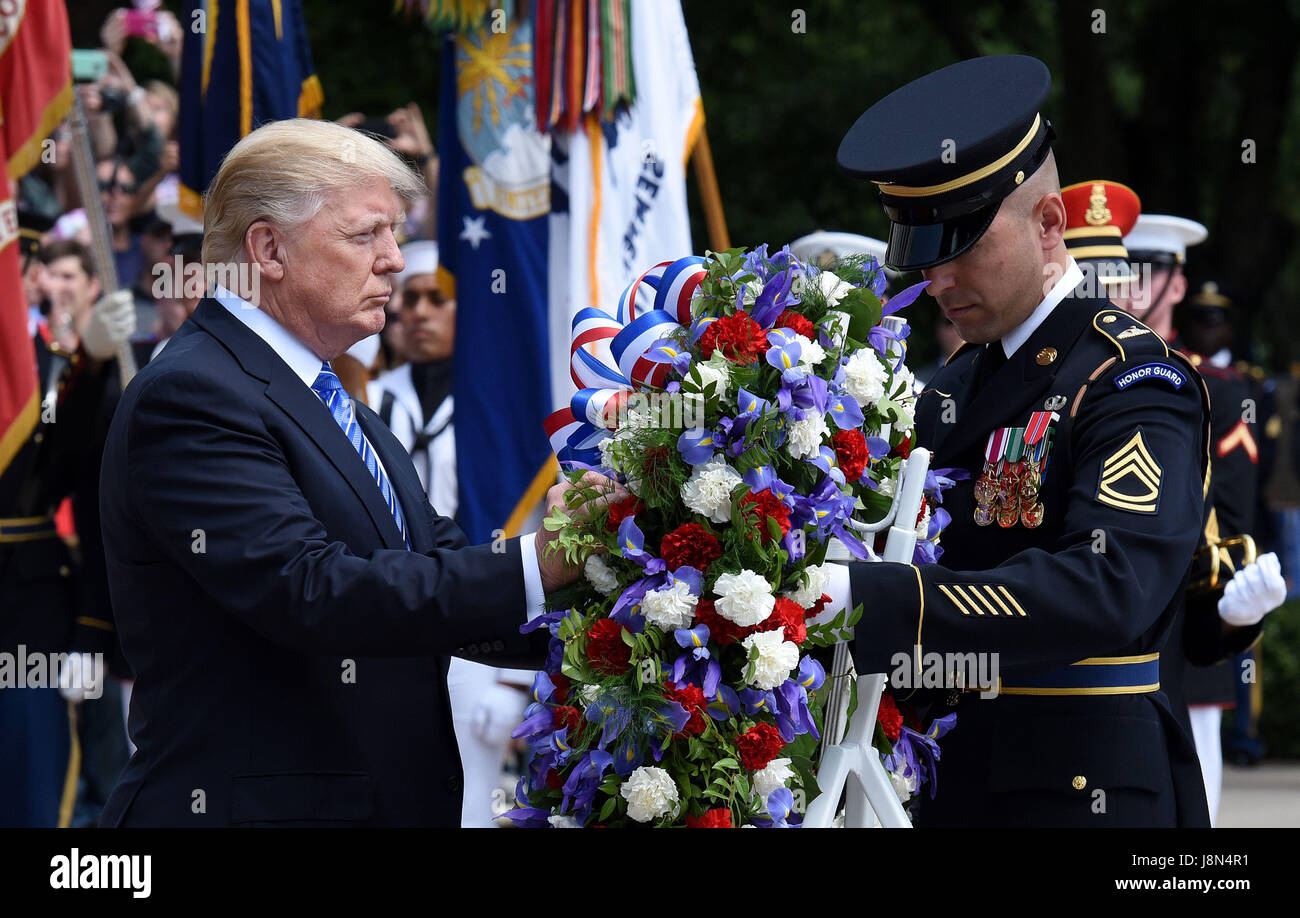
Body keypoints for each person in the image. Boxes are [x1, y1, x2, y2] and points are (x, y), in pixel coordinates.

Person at [97, 119, 610, 827]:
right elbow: (309, 590)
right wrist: (534, 564)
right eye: (366, 234)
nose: (395, 260)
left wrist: (627, 596)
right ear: (268, 248)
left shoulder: (332, 399)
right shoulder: (192, 394)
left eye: (395, 233)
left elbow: (435, 567)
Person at [834, 54, 1213, 827]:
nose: (936, 280)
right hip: (947, 782)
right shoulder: (945, 391)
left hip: (1079, 790)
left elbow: (1107, 586)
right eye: (923, 252)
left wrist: (876, 602)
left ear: (1048, 225)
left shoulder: (1132, 382)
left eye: (963, 246)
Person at [367, 239, 533, 827]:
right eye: (407, 298)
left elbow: (530, 525)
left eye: (437, 298)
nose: (418, 311)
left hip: (475, 626)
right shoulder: (365, 400)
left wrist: (515, 680)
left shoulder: (498, 410)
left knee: (473, 804)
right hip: (382, 609)